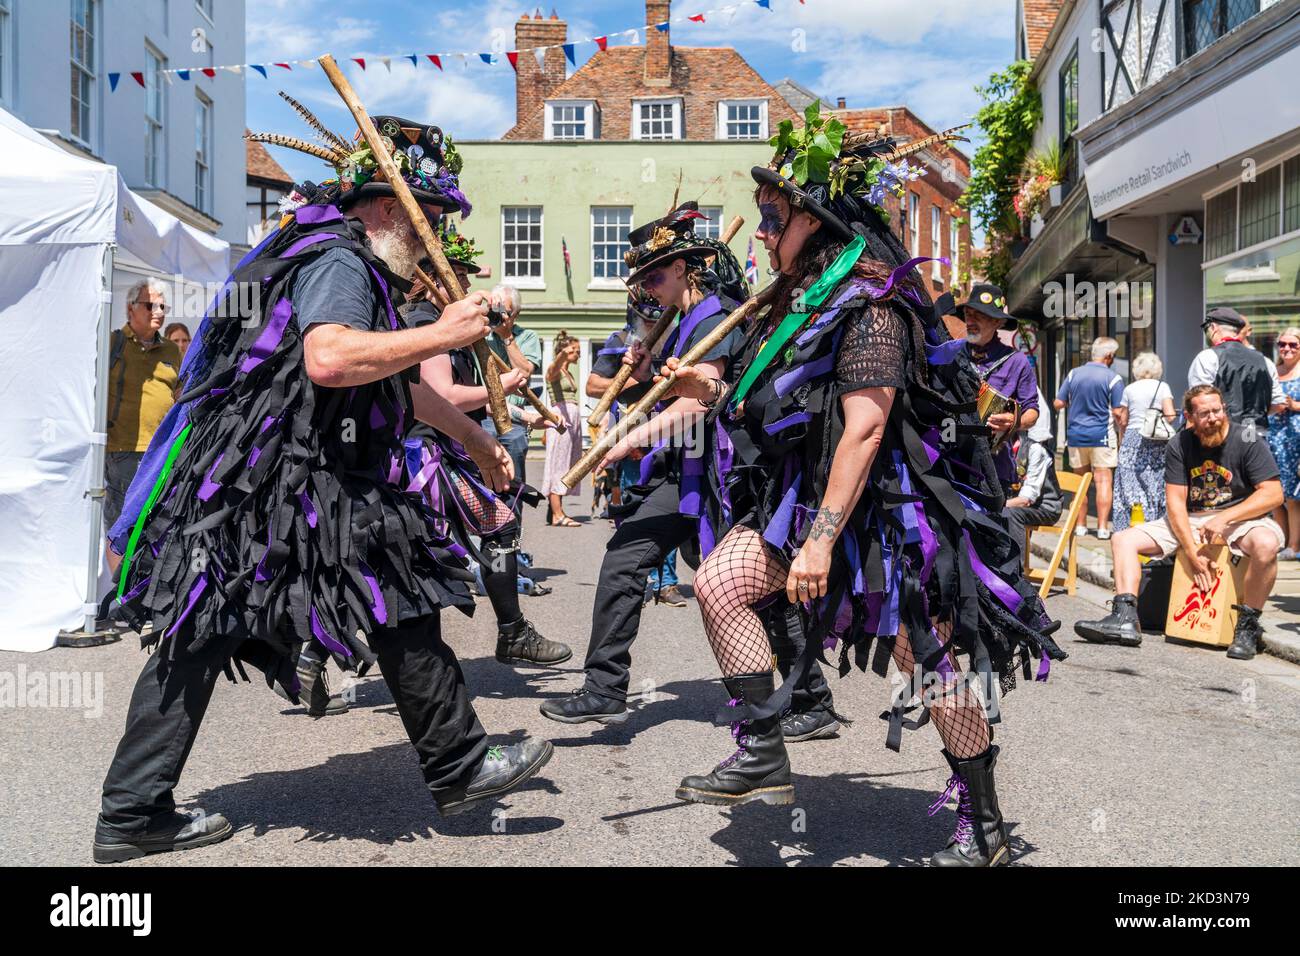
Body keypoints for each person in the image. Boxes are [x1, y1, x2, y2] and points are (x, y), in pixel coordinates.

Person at [92, 114, 554, 863]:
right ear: (384, 206)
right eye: (428, 214)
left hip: (271, 486)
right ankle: (457, 763)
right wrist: (446, 334)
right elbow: (331, 361)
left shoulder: (352, 264)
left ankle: (134, 809)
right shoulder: (341, 260)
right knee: (387, 599)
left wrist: (474, 439)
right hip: (284, 483)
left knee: (218, 632)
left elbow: (393, 381)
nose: (433, 229)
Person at [657, 106, 1062, 866]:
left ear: (820, 222)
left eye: (775, 217)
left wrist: (817, 543)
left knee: (927, 664)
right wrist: (710, 394)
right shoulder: (796, 304)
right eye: (763, 219)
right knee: (718, 582)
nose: (764, 233)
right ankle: (764, 749)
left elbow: (865, 429)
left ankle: (987, 824)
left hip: (887, 522)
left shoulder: (871, 306)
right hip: (812, 511)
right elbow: (781, 413)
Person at [540, 201, 842, 743]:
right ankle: (606, 688)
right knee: (630, 561)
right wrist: (643, 372)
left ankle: (811, 699)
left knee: (750, 586)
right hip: (683, 468)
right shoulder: (680, 322)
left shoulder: (718, 316)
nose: (649, 287)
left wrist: (634, 436)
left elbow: (699, 403)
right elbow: (672, 394)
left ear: (683, 267)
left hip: (722, 475)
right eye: (643, 279)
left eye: (656, 275)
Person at [398, 240, 571, 669]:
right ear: (434, 280)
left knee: (398, 553)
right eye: (459, 276)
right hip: (425, 453)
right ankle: (512, 634)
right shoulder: (425, 322)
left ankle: (314, 653)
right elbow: (445, 397)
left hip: (439, 447)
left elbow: (470, 400)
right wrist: (508, 388)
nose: (468, 285)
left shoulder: (444, 326)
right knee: (496, 523)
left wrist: (523, 415)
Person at [1076, 385, 1283, 660]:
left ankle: (1247, 626)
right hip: (1191, 517)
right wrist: (1193, 551)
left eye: (1217, 411)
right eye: (1204, 413)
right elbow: (1175, 504)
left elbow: (1273, 494)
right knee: (1122, 539)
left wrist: (1225, 517)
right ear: (1189, 416)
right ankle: (1124, 617)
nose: (1213, 418)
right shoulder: (1179, 443)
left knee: (1267, 544)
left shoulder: (1247, 439)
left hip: (1238, 517)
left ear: (1224, 409)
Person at [586, 292, 685, 606]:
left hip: (672, 435)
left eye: (658, 319)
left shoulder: (679, 340)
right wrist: (635, 381)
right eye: (647, 320)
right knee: (633, 506)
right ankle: (640, 577)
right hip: (630, 439)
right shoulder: (620, 340)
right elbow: (593, 385)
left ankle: (667, 583)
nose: (653, 324)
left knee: (670, 507)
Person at [104, 279, 181, 534]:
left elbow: (179, 392)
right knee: (121, 526)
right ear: (130, 309)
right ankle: (119, 575)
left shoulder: (171, 350)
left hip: (162, 450)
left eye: (162, 307)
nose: (158, 312)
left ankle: (141, 575)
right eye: (150, 306)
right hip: (124, 450)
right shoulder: (112, 343)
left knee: (156, 525)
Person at [959, 283, 1038, 495]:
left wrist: (1014, 422)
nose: (971, 321)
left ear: (997, 322)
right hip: (953, 461)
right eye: (968, 314)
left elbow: (1032, 411)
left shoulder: (1017, 361)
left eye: (979, 315)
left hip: (995, 467)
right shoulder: (952, 354)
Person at [1054, 337, 1124, 540]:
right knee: (1103, 481)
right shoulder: (1113, 378)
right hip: (1102, 435)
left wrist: (1074, 403)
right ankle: (1103, 527)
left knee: (1080, 482)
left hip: (1076, 436)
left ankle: (1081, 526)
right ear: (1109, 356)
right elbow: (1118, 412)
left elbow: (1058, 402)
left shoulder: (1074, 374)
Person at [480, 284, 541, 484]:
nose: (499, 316)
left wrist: (507, 337)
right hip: (484, 415)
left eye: (504, 311)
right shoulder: (479, 335)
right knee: (483, 479)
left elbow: (523, 373)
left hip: (514, 421)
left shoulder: (527, 337)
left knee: (513, 482)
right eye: (495, 310)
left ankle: (513, 514)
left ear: (516, 313)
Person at [1187, 307, 1285, 431]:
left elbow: (1199, 401)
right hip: (1256, 436)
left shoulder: (1207, 357)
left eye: (1206, 329)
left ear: (1213, 328)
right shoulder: (1265, 361)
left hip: (1222, 436)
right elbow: (1278, 403)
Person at [1111, 351, 1177, 532]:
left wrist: (1122, 441)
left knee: (1129, 482)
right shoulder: (1163, 387)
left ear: (1136, 370)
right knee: (1156, 481)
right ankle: (1157, 526)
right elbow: (1170, 415)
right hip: (1156, 439)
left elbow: (1123, 420)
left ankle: (1130, 527)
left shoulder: (1129, 389)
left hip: (1133, 438)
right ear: (1157, 369)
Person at [1004, 390, 1063, 549]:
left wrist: (1002, 505)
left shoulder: (1035, 448)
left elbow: (1027, 498)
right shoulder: (1003, 447)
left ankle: (1017, 569)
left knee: (1010, 514)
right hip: (1021, 503)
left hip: (1045, 507)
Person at [542, 330, 583, 526]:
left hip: (571, 417)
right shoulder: (555, 370)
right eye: (575, 350)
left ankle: (555, 511)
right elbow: (552, 371)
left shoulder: (568, 372)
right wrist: (562, 355)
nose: (578, 354)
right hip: (560, 417)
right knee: (557, 463)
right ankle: (558, 514)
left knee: (568, 463)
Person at [1267, 327, 1300, 558]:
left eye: (1293, 345)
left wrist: (1296, 406)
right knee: (1274, 493)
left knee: (1293, 496)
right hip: (1274, 436)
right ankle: (1283, 542)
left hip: (1295, 438)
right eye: (1283, 344)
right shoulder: (1273, 371)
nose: (1286, 348)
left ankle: (1294, 546)